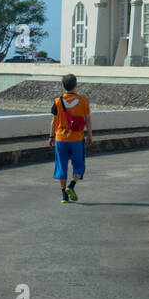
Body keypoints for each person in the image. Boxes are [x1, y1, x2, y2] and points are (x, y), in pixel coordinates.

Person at [49, 74, 92, 203]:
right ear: (76, 84)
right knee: (79, 164)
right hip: (77, 138)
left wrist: (51, 136)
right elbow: (88, 120)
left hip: (61, 138)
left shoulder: (57, 101)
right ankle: (71, 185)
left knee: (61, 166)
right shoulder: (83, 100)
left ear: (63, 86)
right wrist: (89, 135)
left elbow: (53, 122)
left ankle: (64, 196)